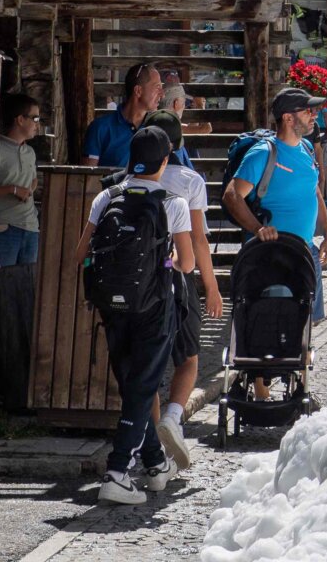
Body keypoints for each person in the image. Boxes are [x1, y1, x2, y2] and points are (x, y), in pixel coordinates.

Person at [73, 128, 195, 505]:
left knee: (132, 385)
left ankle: (156, 466)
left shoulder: (107, 196)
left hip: (111, 305)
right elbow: (187, 263)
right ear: (164, 161)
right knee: (143, 387)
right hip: (154, 307)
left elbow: (81, 254)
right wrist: (163, 260)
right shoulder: (171, 202)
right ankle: (117, 472)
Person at [223, 88, 327, 323]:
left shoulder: (305, 148)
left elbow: (313, 191)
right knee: (274, 322)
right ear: (288, 118)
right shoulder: (264, 153)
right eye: (307, 110)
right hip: (273, 255)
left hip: (306, 252)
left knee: (306, 325)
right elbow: (232, 196)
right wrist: (258, 229)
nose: (314, 114)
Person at [144, 113, 219, 470]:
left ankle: (156, 445)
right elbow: (198, 240)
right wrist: (212, 286)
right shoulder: (190, 180)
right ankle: (172, 418)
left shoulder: (128, 177)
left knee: (149, 366)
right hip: (179, 276)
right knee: (187, 357)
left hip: (141, 280)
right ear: (178, 144)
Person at [83, 61, 168, 168]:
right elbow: (88, 178)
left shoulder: (157, 130)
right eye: (157, 87)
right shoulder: (100, 128)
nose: (162, 94)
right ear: (138, 91)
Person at [0, 92, 41, 267]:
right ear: (20, 120)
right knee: (3, 287)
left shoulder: (30, 152)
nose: (38, 125)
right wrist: (12, 189)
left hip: (31, 228)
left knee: (24, 287)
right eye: (35, 118)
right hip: (4, 229)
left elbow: (33, 179)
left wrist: (30, 188)